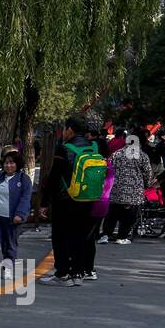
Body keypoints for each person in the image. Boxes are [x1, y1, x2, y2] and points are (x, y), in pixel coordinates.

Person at [39, 117, 100, 286]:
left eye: (64, 129)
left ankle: (63, 273)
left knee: (61, 236)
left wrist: (44, 202)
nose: (63, 132)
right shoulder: (94, 147)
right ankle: (78, 274)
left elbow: (54, 177)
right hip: (87, 199)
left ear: (71, 129)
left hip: (65, 200)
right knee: (80, 236)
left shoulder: (64, 148)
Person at [101, 134, 154, 244]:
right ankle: (122, 237)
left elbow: (108, 168)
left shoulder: (116, 154)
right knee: (128, 216)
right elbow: (148, 172)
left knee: (112, 214)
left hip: (115, 189)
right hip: (133, 192)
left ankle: (105, 235)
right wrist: (147, 184)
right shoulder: (142, 155)